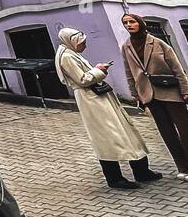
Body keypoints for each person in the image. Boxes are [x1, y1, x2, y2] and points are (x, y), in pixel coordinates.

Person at [54, 27, 162, 190]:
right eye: (82, 43)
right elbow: (82, 79)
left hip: (98, 98)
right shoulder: (67, 57)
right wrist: (99, 70)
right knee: (106, 136)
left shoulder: (70, 53)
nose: (85, 46)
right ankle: (115, 178)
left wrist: (96, 69)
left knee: (124, 130)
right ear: (72, 42)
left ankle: (141, 171)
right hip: (92, 100)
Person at [120, 13, 188, 182]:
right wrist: (135, 95)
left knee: (186, 131)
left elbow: (177, 68)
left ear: (140, 23)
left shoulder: (157, 43)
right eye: (125, 23)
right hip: (149, 95)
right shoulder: (126, 47)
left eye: (132, 22)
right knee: (167, 133)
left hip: (170, 92)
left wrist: (186, 91)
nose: (129, 25)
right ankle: (183, 167)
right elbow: (129, 73)